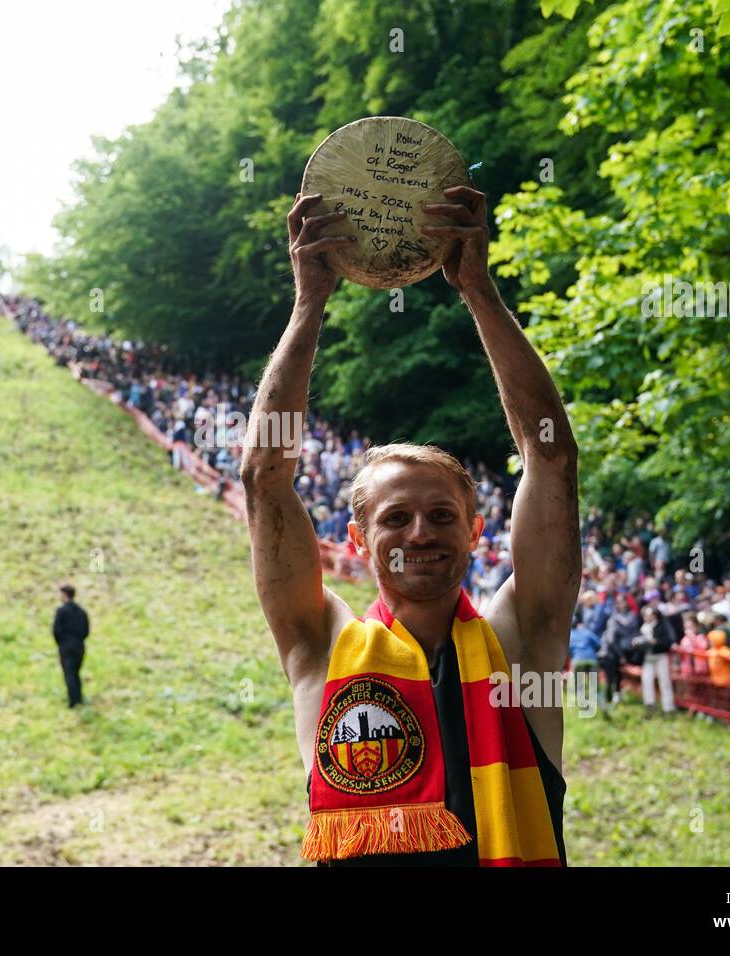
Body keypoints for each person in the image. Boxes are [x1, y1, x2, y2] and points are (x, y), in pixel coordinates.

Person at [242, 188, 579, 866]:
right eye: (395, 518)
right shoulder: (322, 646)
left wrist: (478, 290)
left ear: (477, 531)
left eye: (442, 515)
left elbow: (551, 457)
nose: (421, 532)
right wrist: (310, 303)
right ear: (358, 540)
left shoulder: (521, 640)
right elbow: (264, 480)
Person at [52, 584, 90, 707]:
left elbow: (56, 630)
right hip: (79, 646)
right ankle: (78, 697)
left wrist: (61, 642)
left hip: (66, 646)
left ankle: (73, 702)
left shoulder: (62, 611)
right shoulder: (82, 612)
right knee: (76, 672)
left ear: (64, 595)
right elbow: (86, 631)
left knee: (69, 673)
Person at [634, 606, 676, 714]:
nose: (647, 617)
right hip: (648, 658)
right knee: (647, 680)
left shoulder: (662, 626)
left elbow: (668, 642)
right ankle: (650, 704)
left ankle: (668, 707)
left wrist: (655, 642)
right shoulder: (643, 628)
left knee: (664, 682)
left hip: (660, 656)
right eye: (645, 615)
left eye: (649, 615)